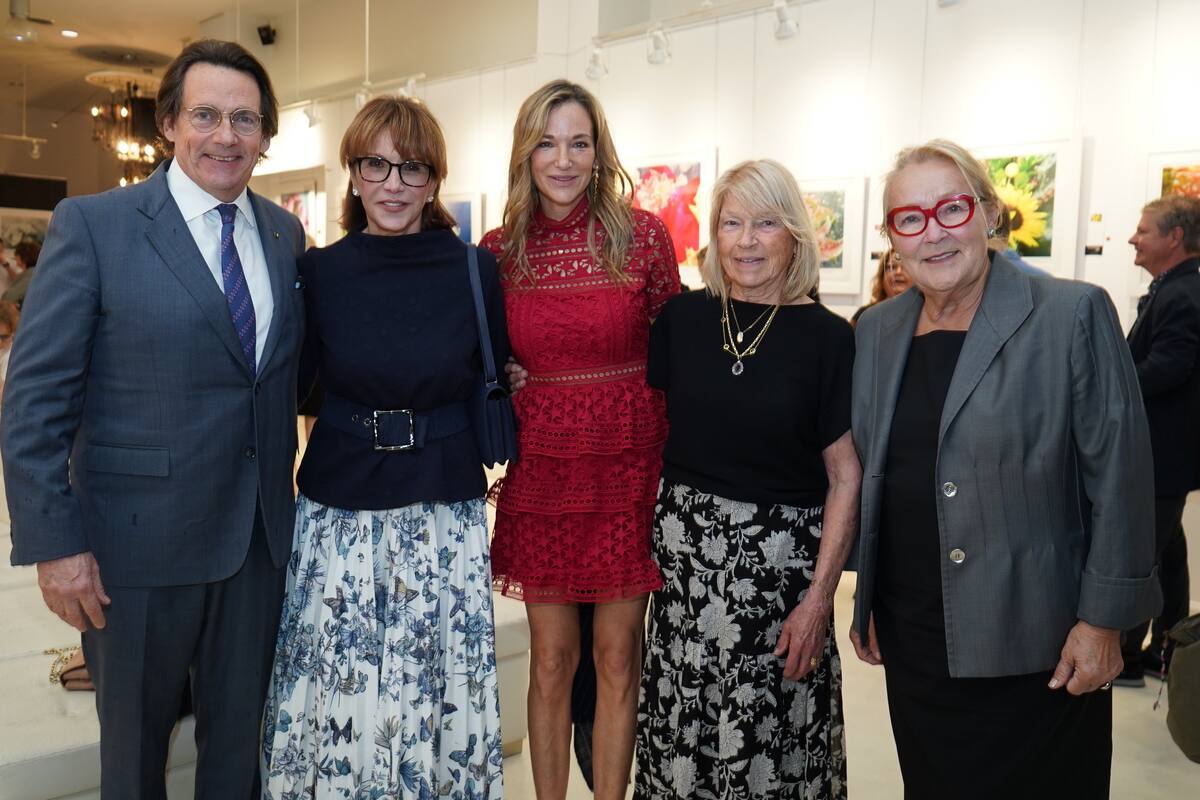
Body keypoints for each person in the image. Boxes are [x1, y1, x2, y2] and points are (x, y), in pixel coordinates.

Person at [1, 39, 306, 796]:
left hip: (256, 547)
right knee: (134, 763)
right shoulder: (95, 226)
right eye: (205, 115)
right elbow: (35, 399)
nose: (225, 135)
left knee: (236, 757)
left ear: (266, 136)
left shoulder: (283, 236)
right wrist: (55, 544)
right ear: (168, 124)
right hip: (132, 556)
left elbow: (290, 379)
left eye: (244, 119)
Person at [850, 138, 1160, 798]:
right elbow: (879, 473)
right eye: (910, 218)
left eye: (952, 209)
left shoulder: (1070, 314)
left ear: (989, 213)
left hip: (1040, 643)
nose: (934, 233)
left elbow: (1122, 480)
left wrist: (1103, 624)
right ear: (892, 237)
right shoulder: (877, 329)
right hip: (917, 637)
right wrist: (870, 593)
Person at [261, 96, 507, 797]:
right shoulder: (320, 272)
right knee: (337, 688)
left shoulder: (474, 271)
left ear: (434, 180)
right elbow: (298, 386)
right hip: (340, 511)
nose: (393, 184)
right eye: (376, 164)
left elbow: (494, 371)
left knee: (435, 683)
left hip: (441, 518)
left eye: (412, 168)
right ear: (353, 172)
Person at [481, 79, 680, 799]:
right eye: (546, 143)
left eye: (578, 143)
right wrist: (508, 376)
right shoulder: (499, 251)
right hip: (545, 472)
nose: (562, 160)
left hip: (628, 467)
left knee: (618, 657)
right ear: (525, 153)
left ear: (599, 152)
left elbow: (675, 352)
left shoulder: (644, 235)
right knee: (550, 661)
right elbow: (485, 359)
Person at [635, 159, 857, 799]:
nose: (746, 241)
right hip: (684, 579)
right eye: (731, 224)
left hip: (777, 582)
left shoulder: (828, 339)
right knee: (683, 733)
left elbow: (845, 477)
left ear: (795, 235)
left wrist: (819, 600)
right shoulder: (681, 321)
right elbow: (636, 419)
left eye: (766, 224)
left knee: (770, 742)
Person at [1116, 195, 1200, 686]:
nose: (1133, 238)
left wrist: (1111, 383)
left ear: (1174, 237)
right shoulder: (1176, 288)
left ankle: (1127, 657)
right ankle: (1168, 651)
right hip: (1167, 456)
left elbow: (1169, 367)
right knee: (1167, 554)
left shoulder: (1181, 294)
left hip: (1162, 456)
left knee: (1140, 554)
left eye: (1144, 230)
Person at [851, 246, 910, 323]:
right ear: (882, 276)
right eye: (892, 267)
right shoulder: (865, 315)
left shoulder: (923, 317)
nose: (898, 272)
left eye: (906, 267)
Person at [1, 239, 42, 308]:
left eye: (16, 255)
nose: (15, 257)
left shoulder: (32, 274)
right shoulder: (34, 272)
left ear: (23, 257)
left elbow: (9, 297)